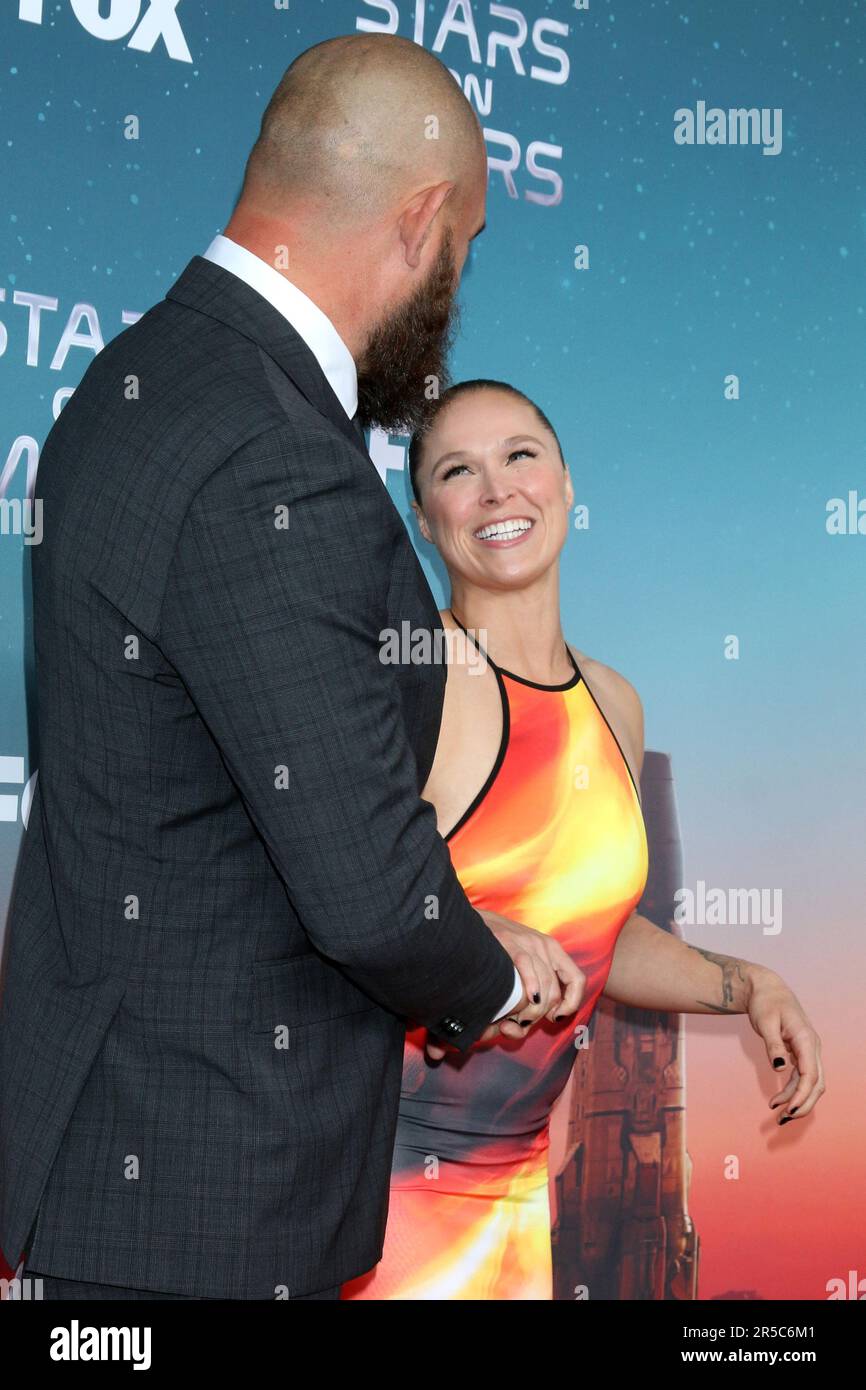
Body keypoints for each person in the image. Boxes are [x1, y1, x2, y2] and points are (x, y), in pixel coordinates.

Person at [0, 35, 582, 1301]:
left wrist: (448, 924)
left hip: (127, 1179)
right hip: (212, 1198)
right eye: (465, 243)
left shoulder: (133, 380)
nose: (457, 282)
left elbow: (230, 796)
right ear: (420, 219)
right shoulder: (273, 450)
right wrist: (488, 977)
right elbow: (363, 890)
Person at [341, 379, 826, 1300]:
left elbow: (592, 933)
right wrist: (466, 937)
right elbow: (329, 897)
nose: (497, 490)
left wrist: (749, 985)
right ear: (424, 519)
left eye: (520, 456)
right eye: (457, 472)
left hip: (519, 1197)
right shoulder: (408, 677)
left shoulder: (616, 704)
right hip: (382, 1198)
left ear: (566, 482)